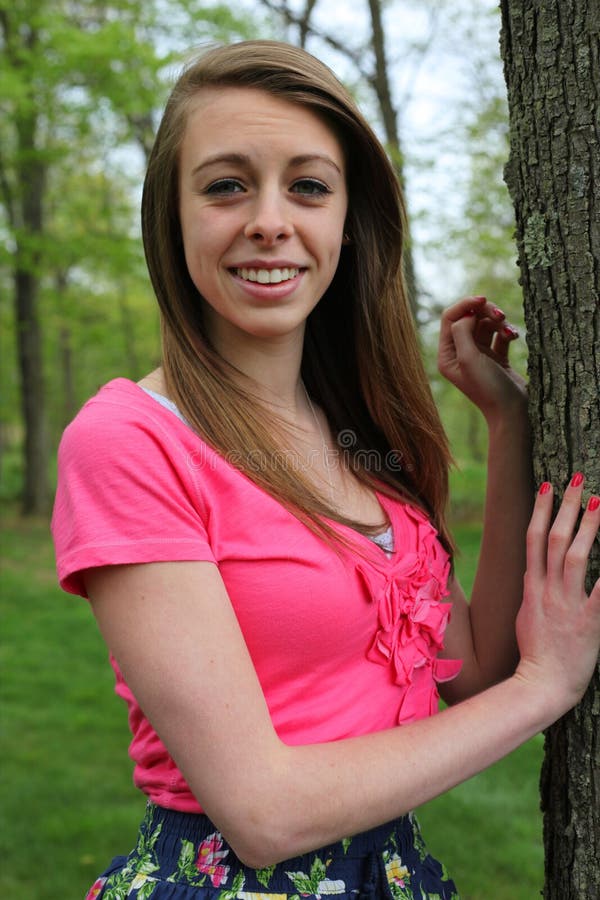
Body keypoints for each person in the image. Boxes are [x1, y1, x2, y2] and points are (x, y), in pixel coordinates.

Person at [51, 40, 600, 900]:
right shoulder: (129, 440)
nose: (270, 219)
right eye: (226, 184)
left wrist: (510, 420)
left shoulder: (360, 437)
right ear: (173, 216)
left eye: (308, 186)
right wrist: (543, 693)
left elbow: (476, 669)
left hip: (395, 875)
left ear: (349, 218)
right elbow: (263, 813)